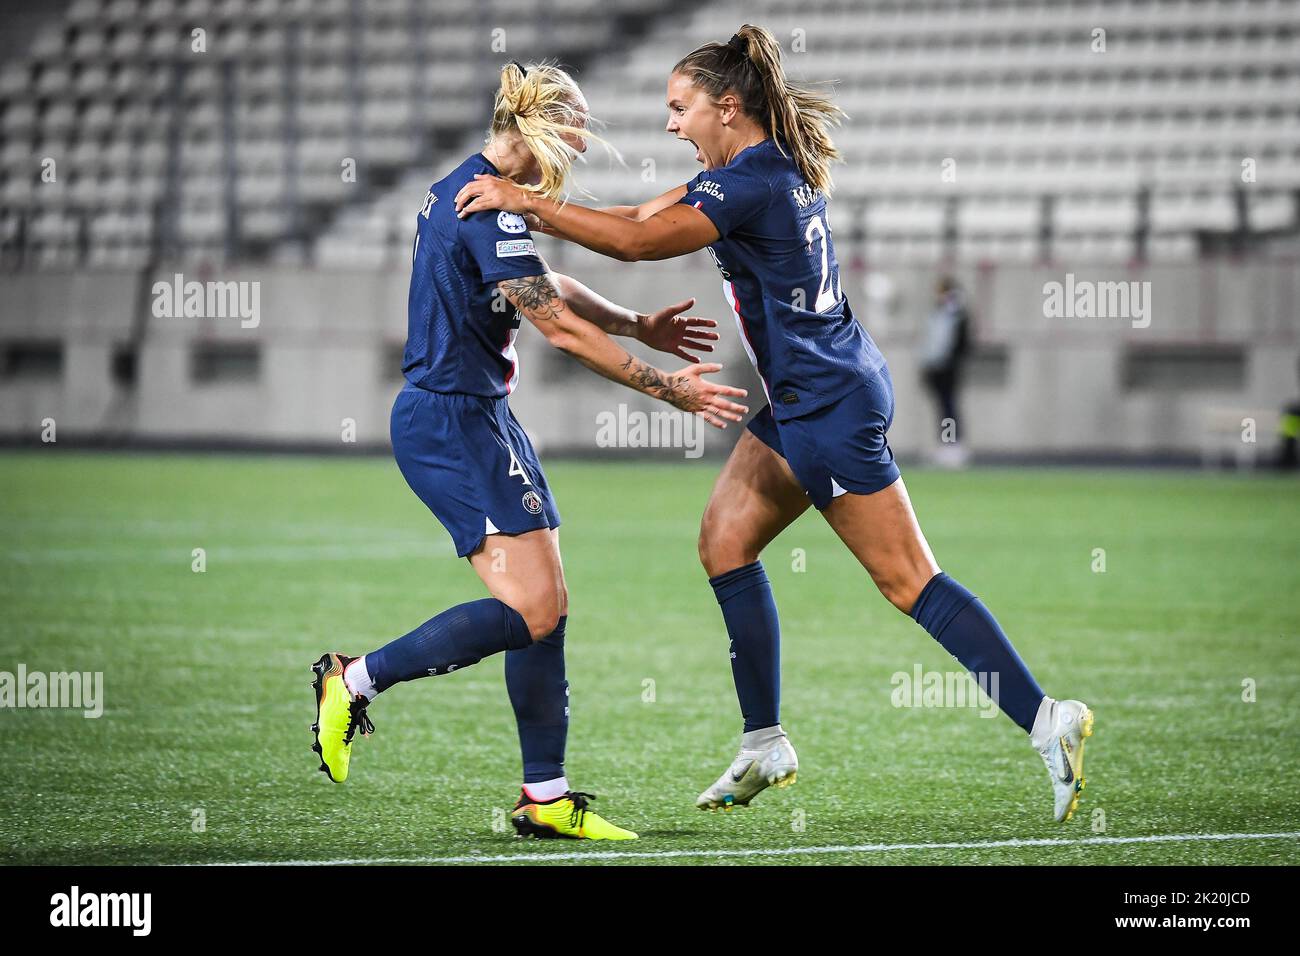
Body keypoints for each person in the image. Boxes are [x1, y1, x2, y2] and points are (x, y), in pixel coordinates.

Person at [454, 27, 1094, 823]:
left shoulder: (747, 183)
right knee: (724, 542)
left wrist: (524, 202)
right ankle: (764, 743)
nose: (670, 125)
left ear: (728, 108)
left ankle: (1045, 720)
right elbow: (633, 215)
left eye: (679, 107)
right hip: (810, 394)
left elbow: (641, 242)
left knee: (909, 582)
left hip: (826, 406)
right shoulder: (758, 169)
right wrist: (544, 214)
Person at [310, 60, 748, 841]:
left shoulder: (477, 190)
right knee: (535, 608)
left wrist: (635, 324)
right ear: (538, 126)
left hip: (478, 416)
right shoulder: (485, 208)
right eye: (573, 130)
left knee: (547, 611)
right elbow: (556, 326)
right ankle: (355, 680)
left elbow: (544, 288)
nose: (577, 148)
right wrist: (667, 387)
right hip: (451, 422)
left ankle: (545, 796)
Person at [920, 276, 971, 468]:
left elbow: (954, 342)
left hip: (948, 367)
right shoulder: (941, 312)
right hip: (938, 366)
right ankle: (947, 444)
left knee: (948, 407)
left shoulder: (954, 313)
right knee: (944, 407)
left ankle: (952, 445)